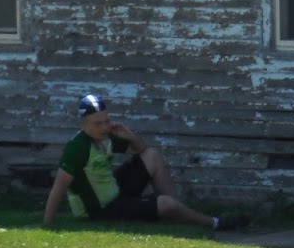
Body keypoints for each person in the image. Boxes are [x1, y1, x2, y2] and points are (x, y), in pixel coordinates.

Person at [43, 94, 247, 231]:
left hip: (113, 191)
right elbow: (59, 187)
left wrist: (130, 136)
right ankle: (214, 223)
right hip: (99, 211)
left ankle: (179, 213)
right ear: (84, 123)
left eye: (106, 120)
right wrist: (48, 224)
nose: (104, 127)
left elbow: (140, 149)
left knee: (152, 155)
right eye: (98, 123)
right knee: (165, 204)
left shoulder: (106, 136)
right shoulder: (77, 148)